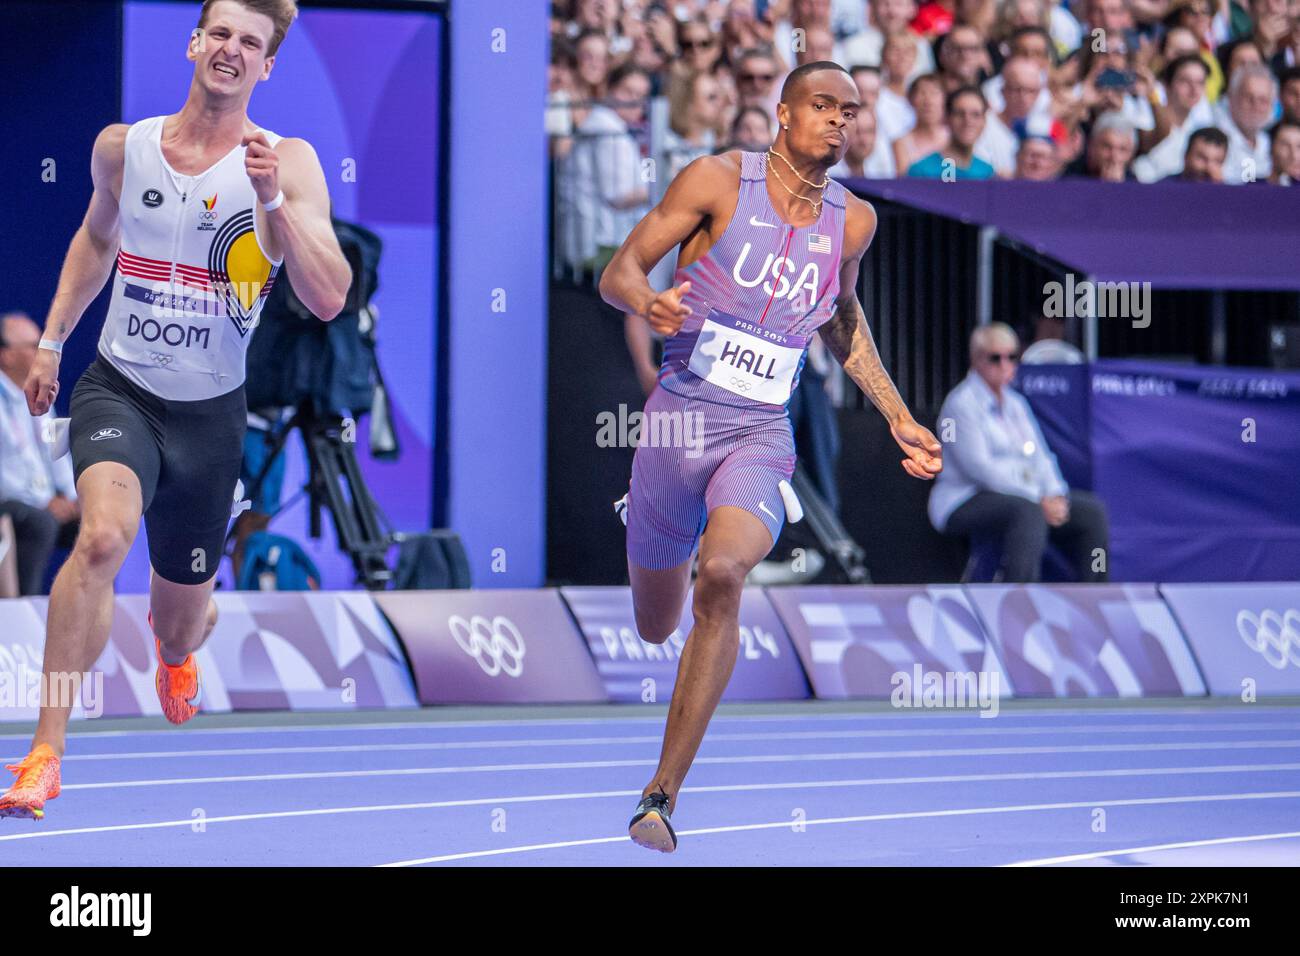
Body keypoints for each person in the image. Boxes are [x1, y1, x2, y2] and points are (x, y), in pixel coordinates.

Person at [0, 0, 351, 822]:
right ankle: (45, 752)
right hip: (119, 388)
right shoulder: (124, 147)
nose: (231, 50)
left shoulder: (286, 161)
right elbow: (95, 239)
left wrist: (274, 206)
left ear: (268, 66)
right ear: (196, 43)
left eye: (250, 44)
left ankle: (178, 645)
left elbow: (329, 296)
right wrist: (52, 340)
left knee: (177, 616)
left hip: (209, 417)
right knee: (101, 539)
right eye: (220, 33)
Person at [599, 61, 942, 852]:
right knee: (655, 626)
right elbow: (619, 268)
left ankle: (660, 794)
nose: (839, 122)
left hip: (758, 432)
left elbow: (843, 319)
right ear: (784, 114)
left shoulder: (853, 222)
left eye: (850, 111)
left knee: (722, 575)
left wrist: (896, 415)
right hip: (677, 424)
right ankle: (651, 524)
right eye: (823, 106)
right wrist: (647, 300)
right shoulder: (718, 179)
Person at [929, 322, 1109, 583]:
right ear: (977, 360)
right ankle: (1020, 601)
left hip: (1025, 497)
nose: (1005, 365)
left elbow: (1042, 457)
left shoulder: (1017, 404)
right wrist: (1039, 499)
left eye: (1012, 357)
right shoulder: (960, 405)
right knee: (1026, 512)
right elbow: (980, 469)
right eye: (995, 358)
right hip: (963, 499)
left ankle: (1094, 599)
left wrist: (1055, 494)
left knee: (1091, 513)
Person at [0, 313, 80, 596]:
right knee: (40, 523)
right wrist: (45, 501)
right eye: (33, 345)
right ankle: (24, 607)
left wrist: (72, 497)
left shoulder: (39, 393)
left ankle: (82, 610)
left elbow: (57, 450)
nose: (41, 352)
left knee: (95, 524)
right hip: (11, 502)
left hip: (44, 502)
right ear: (6, 355)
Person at [907, 86, 997, 178]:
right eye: (960, 114)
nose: (968, 121)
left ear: (984, 121)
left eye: (976, 115)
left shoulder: (987, 172)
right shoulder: (921, 172)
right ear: (947, 119)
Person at [1161, 125, 1229, 181]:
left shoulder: (1229, 194)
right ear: (1186, 156)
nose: (1209, 167)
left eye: (1217, 161)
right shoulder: (1162, 188)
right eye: (1202, 158)